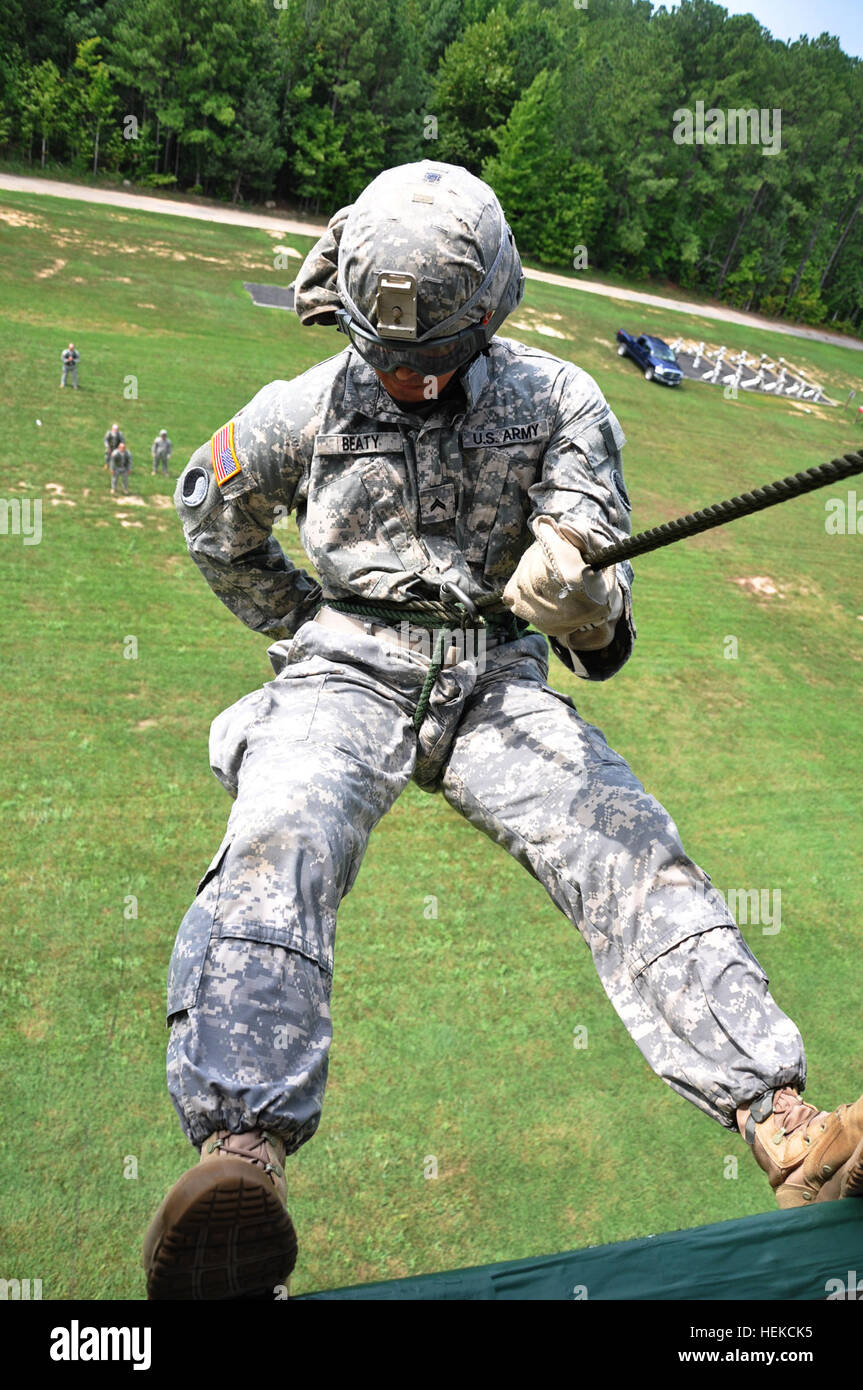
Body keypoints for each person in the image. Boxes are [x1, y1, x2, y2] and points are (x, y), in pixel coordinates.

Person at [143, 161, 863, 1302]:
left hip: (492, 680)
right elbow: (207, 510)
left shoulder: (561, 403)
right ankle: (240, 1160)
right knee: (280, 833)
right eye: (391, 362)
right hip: (347, 669)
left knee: (621, 841)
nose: (412, 384)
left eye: (433, 361)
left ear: (490, 315)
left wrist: (580, 597)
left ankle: (781, 1122)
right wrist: (301, 632)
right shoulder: (301, 410)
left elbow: (602, 633)